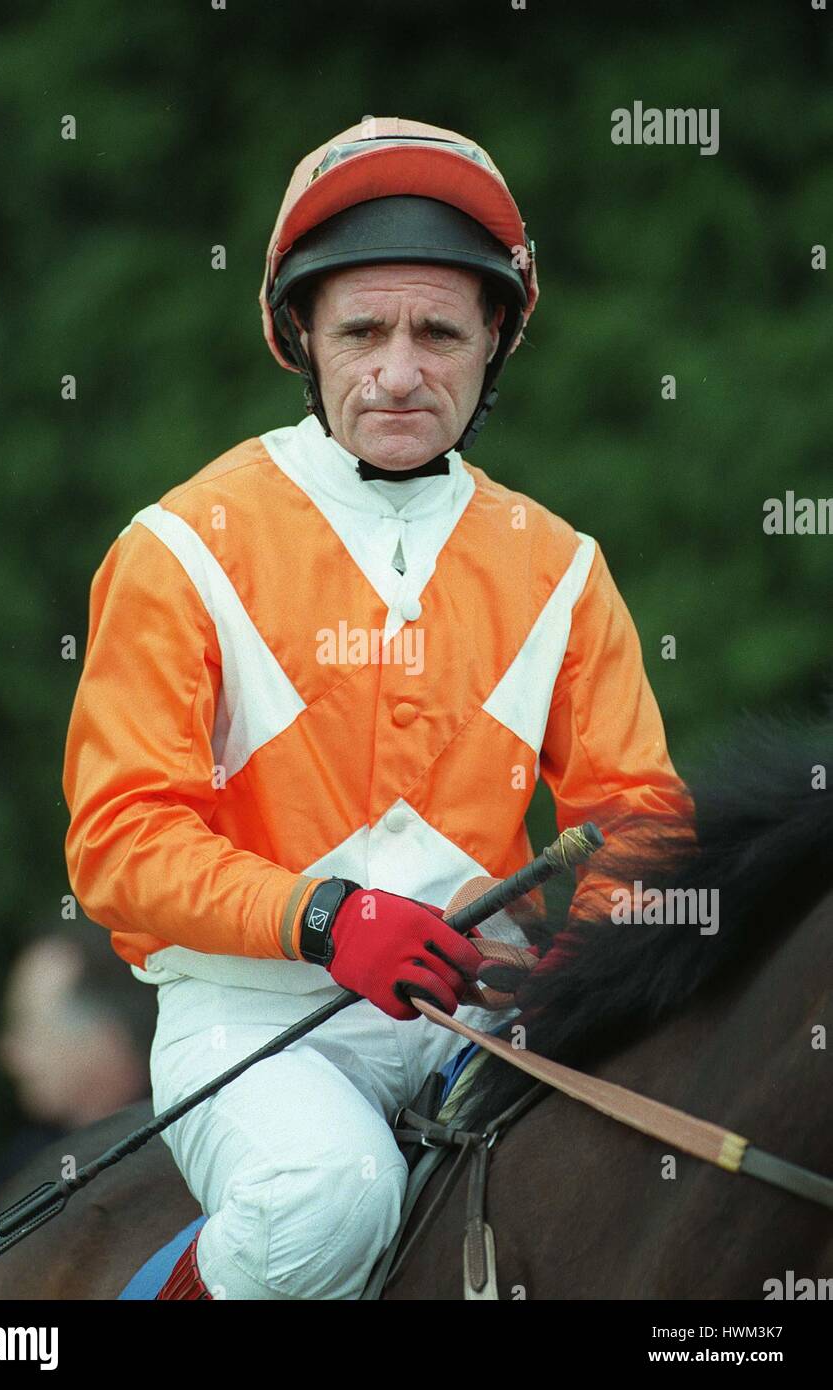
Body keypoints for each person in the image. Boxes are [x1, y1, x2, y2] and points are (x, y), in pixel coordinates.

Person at [62, 115, 694, 1300]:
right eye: (362, 330)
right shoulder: (175, 547)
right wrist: (323, 920)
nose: (398, 372)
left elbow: (637, 812)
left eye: (438, 331)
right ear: (299, 336)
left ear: (494, 338)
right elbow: (117, 842)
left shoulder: (560, 565)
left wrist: (583, 954)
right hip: (253, 1019)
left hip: (484, 1021)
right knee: (325, 1196)